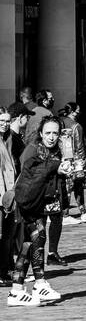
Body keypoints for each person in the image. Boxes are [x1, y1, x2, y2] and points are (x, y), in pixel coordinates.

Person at [8, 116, 73, 307]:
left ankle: (16, 291)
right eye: (48, 133)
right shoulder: (32, 150)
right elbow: (30, 174)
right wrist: (55, 167)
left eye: (55, 133)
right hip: (29, 202)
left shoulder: (56, 150)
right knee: (39, 236)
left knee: (29, 245)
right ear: (40, 133)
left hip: (44, 202)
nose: (52, 137)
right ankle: (39, 283)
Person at [58, 102, 86, 225]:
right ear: (74, 111)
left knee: (67, 187)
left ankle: (81, 211)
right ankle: (66, 214)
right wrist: (83, 164)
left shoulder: (60, 122)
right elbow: (79, 147)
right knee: (75, 186)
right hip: (75, 160)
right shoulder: (76, 126)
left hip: (63, 159)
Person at [0, 107, 19, 284]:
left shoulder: (10, 138)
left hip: (10, 195)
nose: (5, 124)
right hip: (1, 195)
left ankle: (5, 271)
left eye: (7, 121)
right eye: (2, 121)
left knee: (8, 237)